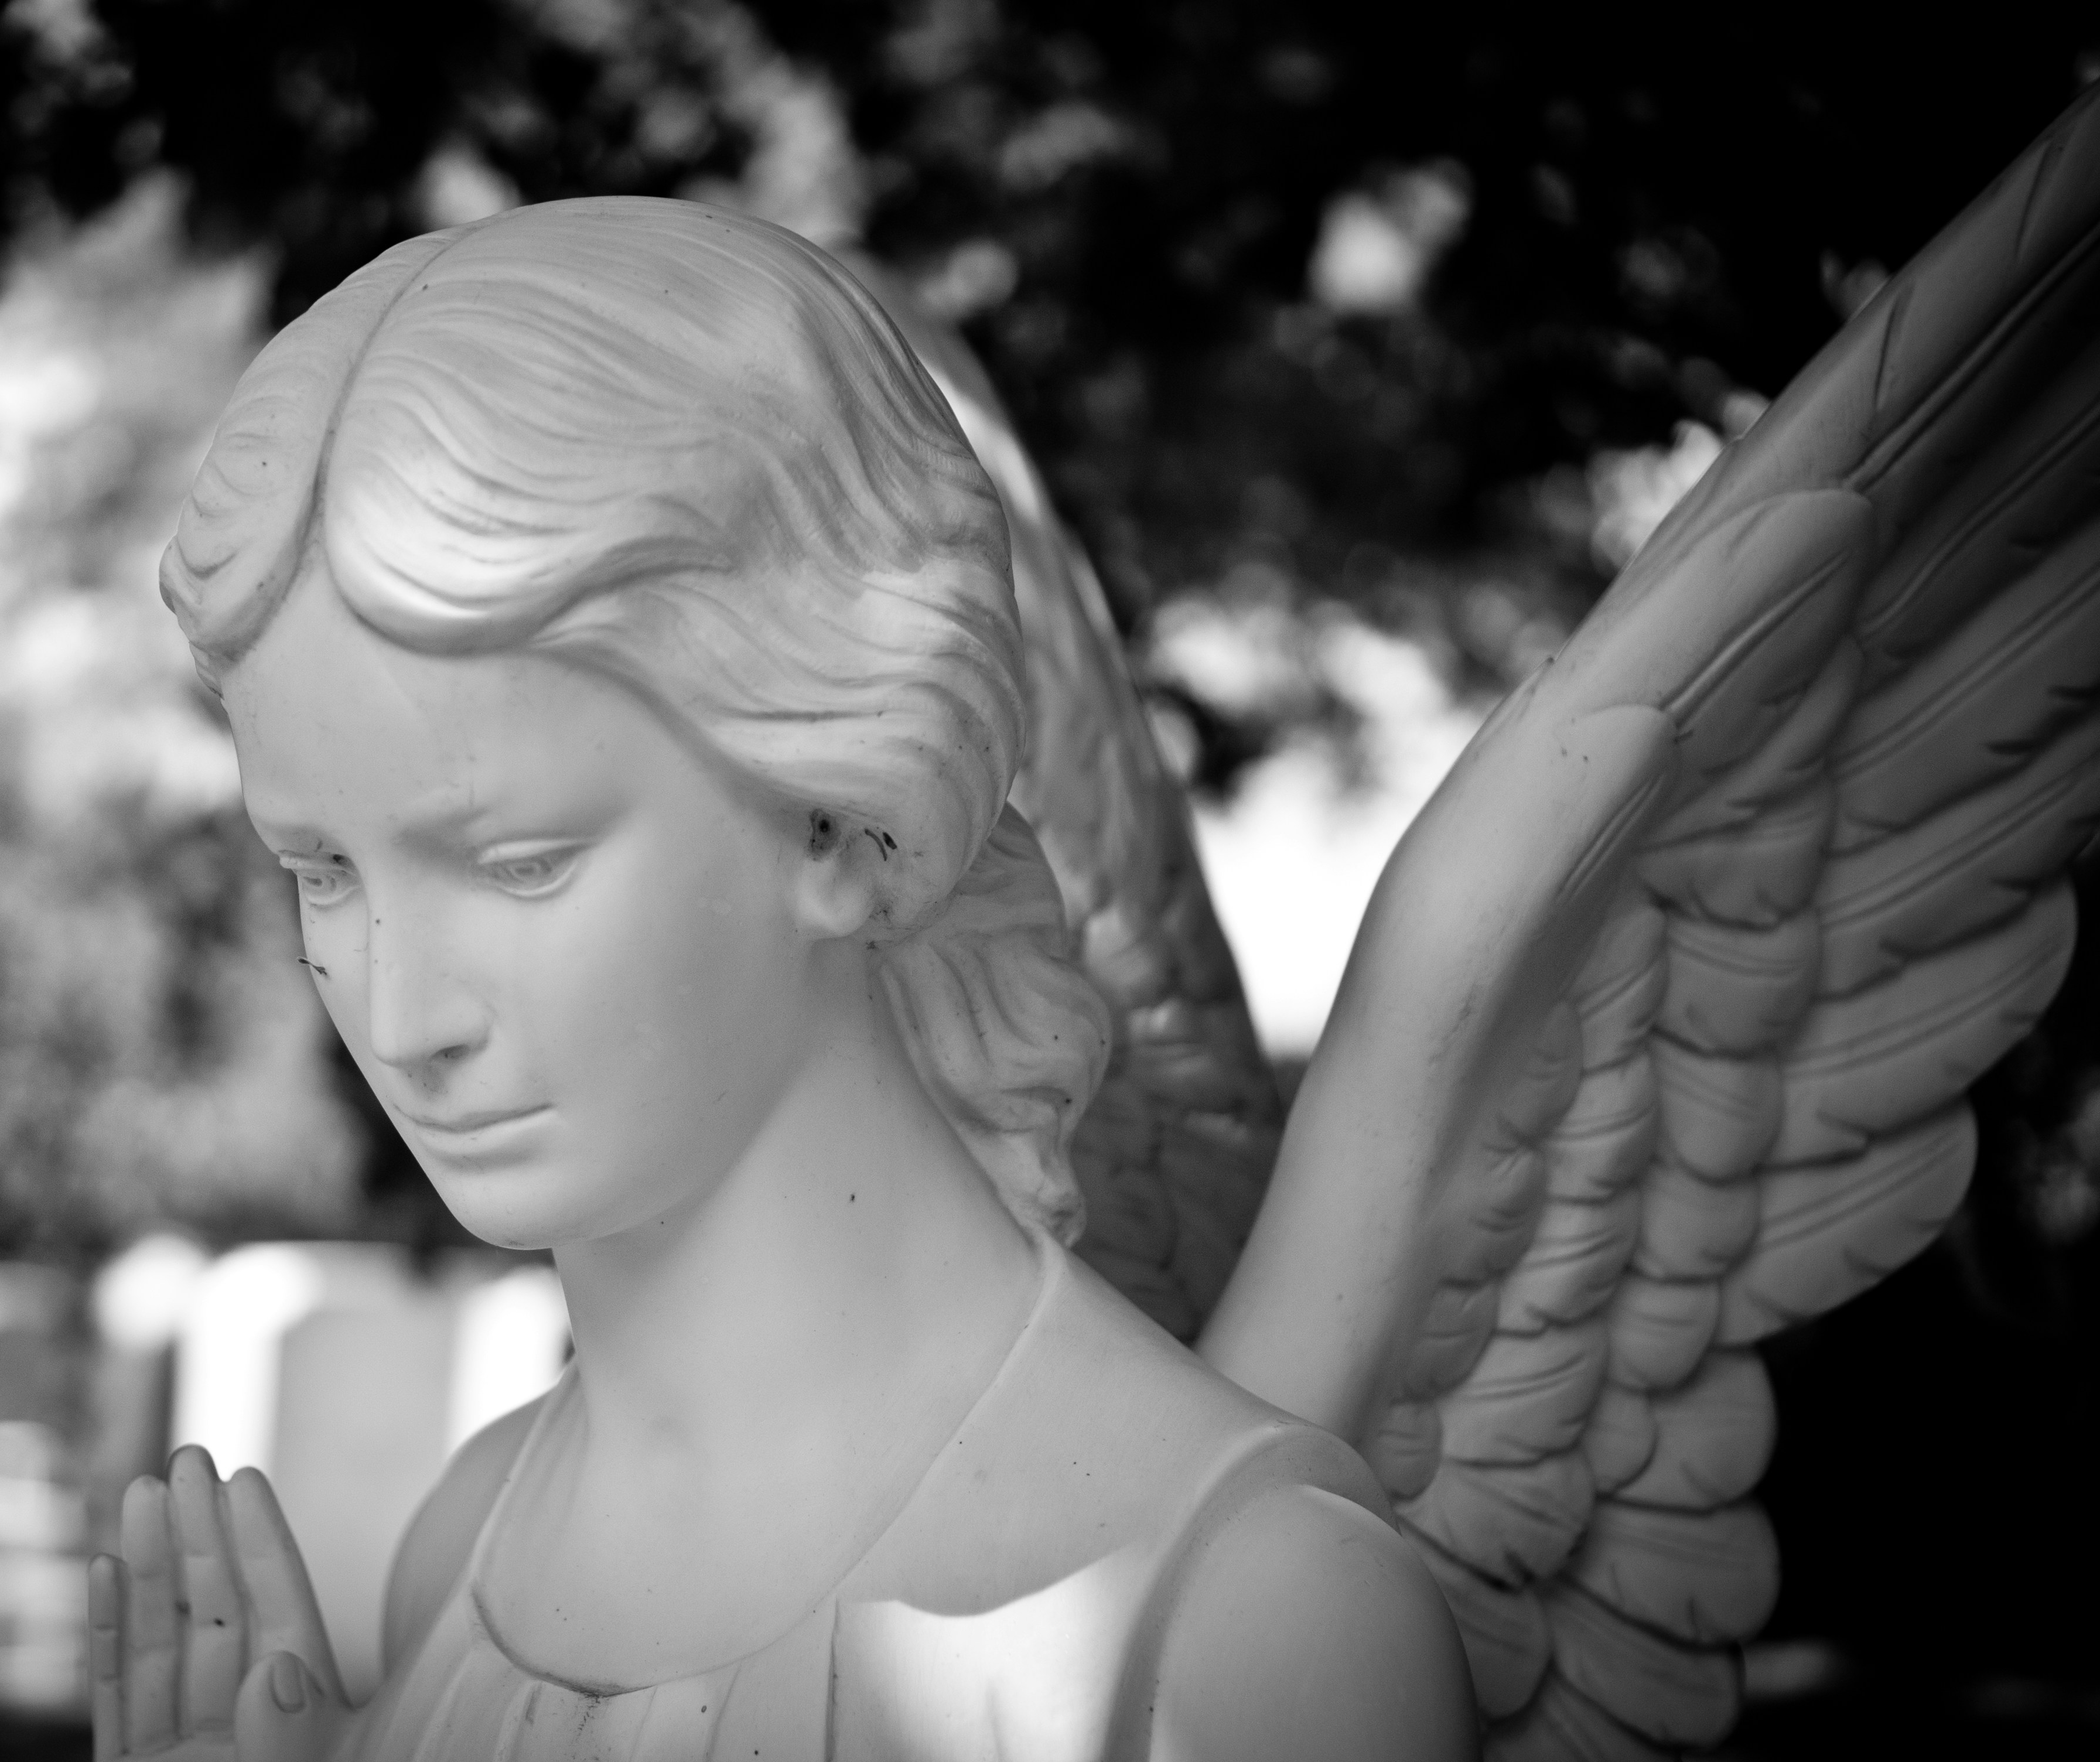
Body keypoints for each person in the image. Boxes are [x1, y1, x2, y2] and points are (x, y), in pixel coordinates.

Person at [92, 196, 1477, 1762]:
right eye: (322, 873)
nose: (403, 1022)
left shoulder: (1237, 1625)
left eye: (521, 861)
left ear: (837, 814)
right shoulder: (456, 1554)